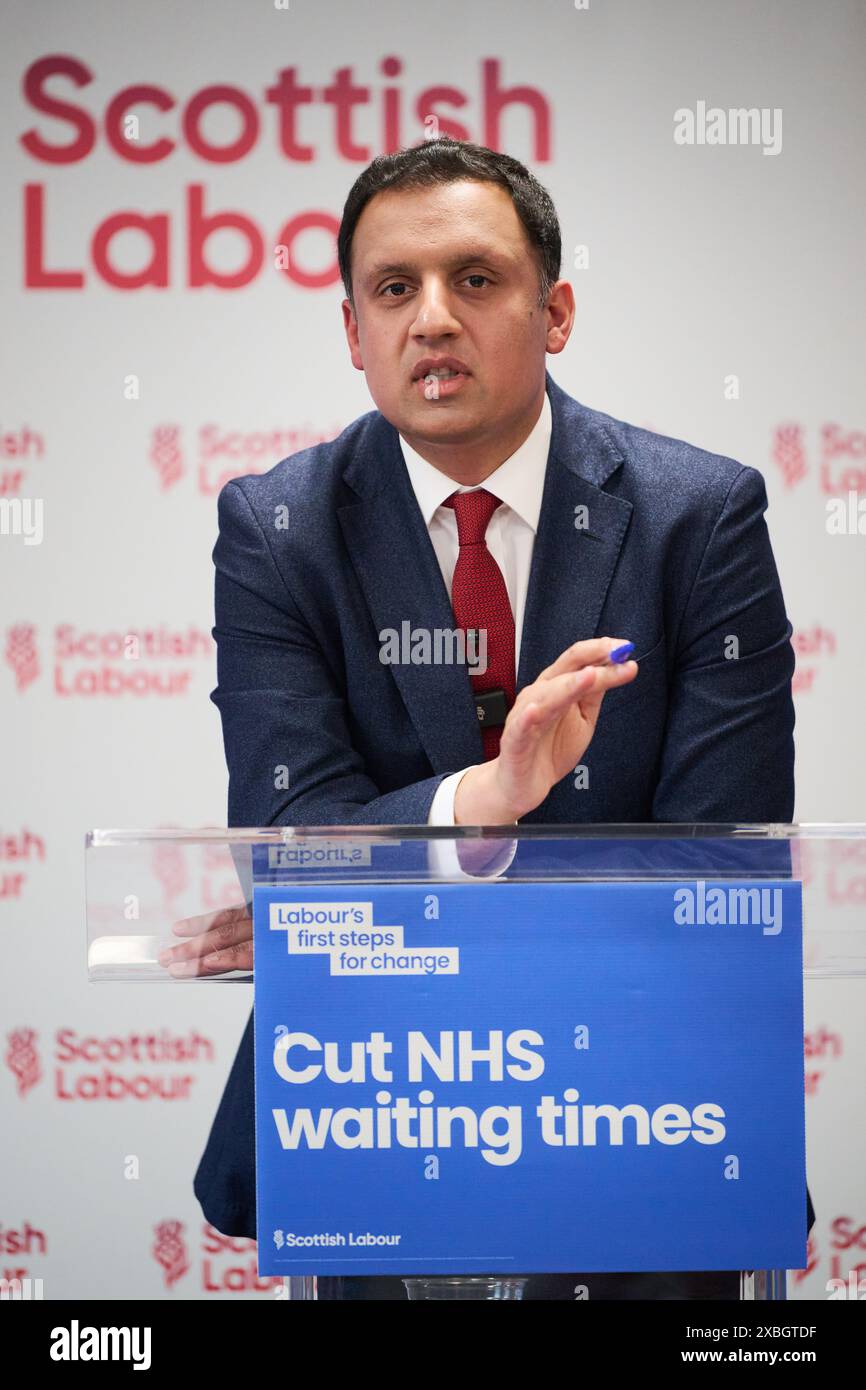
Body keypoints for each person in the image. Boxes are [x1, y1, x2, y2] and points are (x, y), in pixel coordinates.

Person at [161, 137, 814, 1298]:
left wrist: (371, 903)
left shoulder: (696, 517)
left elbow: (718, 870)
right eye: (392, 289)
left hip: (649, 1107)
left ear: (552, 311)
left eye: (474, 280)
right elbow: (300, 845)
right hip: (368, 1106)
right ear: (353, 332)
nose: (431, 321)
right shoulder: (273, 530)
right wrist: (483, 805)